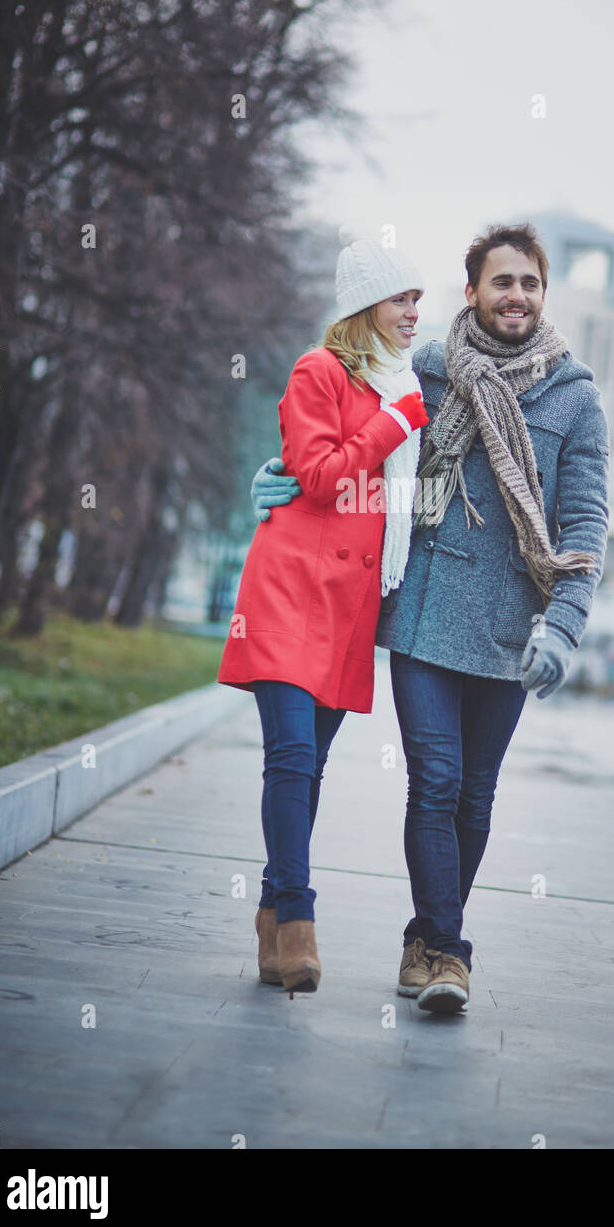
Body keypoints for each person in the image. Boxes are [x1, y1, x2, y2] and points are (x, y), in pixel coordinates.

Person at [251, 223, 609, 1014]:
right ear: (474, 290)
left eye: (530, 284)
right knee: (436, 781)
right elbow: (350, 436)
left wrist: (564, 624)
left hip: (514, 626)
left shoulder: (577, 398)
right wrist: (280, 471)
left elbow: (585, 527)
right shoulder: (426, 370)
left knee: (475, 795)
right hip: (420, 609)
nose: (516, 295)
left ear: (544, 296)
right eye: (501, 281)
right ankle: (448, 956)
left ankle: (425, 935)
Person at [218, 228, 429, 997]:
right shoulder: (321, 371)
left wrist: (403, 415)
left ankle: (274, 917)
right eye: (402, 296)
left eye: (418, 298)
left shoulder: (404, 381)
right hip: (287, 590)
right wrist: (395, 422)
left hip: (347, 610)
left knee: (311, 769)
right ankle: (299, 918)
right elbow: (317, 475)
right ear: (365, 303)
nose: (414, 310)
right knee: (292, 759)